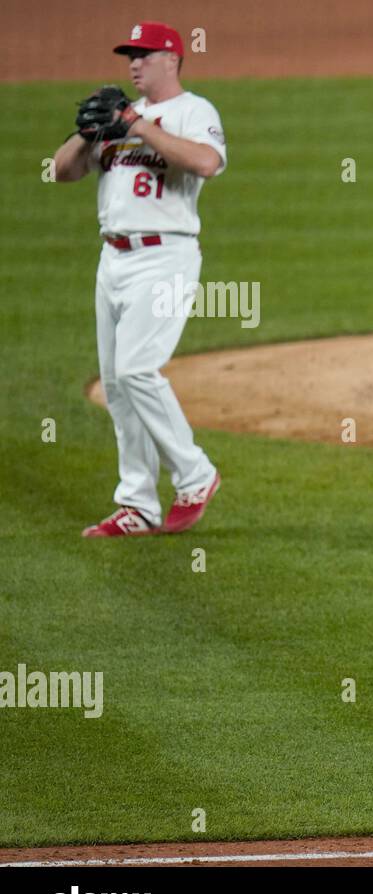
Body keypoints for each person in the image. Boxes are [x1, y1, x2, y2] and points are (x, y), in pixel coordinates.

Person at [53, 21, 226, 538]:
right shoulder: (115, 115)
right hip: (113, 261)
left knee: (137, 369)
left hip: (164, 258)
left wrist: (137, 125)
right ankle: (138, 504)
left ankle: (196, 474)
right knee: (116, 385)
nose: (134, 63)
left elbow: (205, 162)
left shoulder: (193, 111)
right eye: (131, 55)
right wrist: (86, 134)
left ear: (172, 59)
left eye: (145, 54)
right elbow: (61, 172)